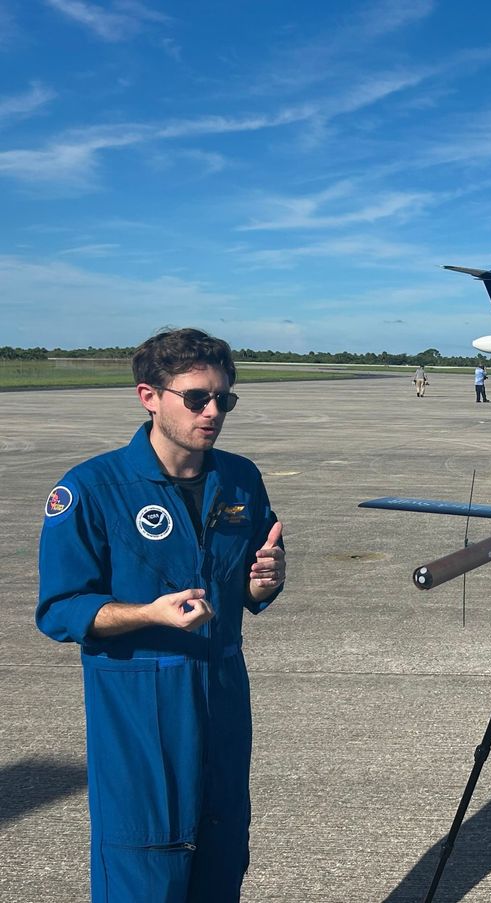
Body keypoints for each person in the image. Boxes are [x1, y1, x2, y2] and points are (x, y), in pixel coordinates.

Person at [36, 328, 286, 903]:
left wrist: (264, 581)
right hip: (140, 711)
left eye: (225, 398)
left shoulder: (239, 479)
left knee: (222, 861)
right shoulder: (92, 489)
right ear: (149, 396)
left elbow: (254, 576)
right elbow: (60, 610)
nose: (214, 411)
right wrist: (148, 614)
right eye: (197, 398)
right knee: (144, 869)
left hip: (224, 698)